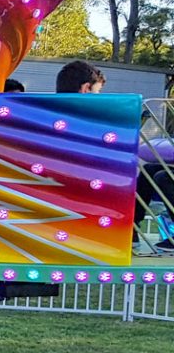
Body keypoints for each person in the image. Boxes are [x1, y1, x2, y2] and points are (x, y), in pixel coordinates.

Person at [56, 63, 174, 252]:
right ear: (86, 88)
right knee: (156, 175)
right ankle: (130, 230)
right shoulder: (89, 115)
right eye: (98, 91)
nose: (99, 97)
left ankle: (132, 230)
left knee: (154, 172)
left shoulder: (54, 112)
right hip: (85, 183)